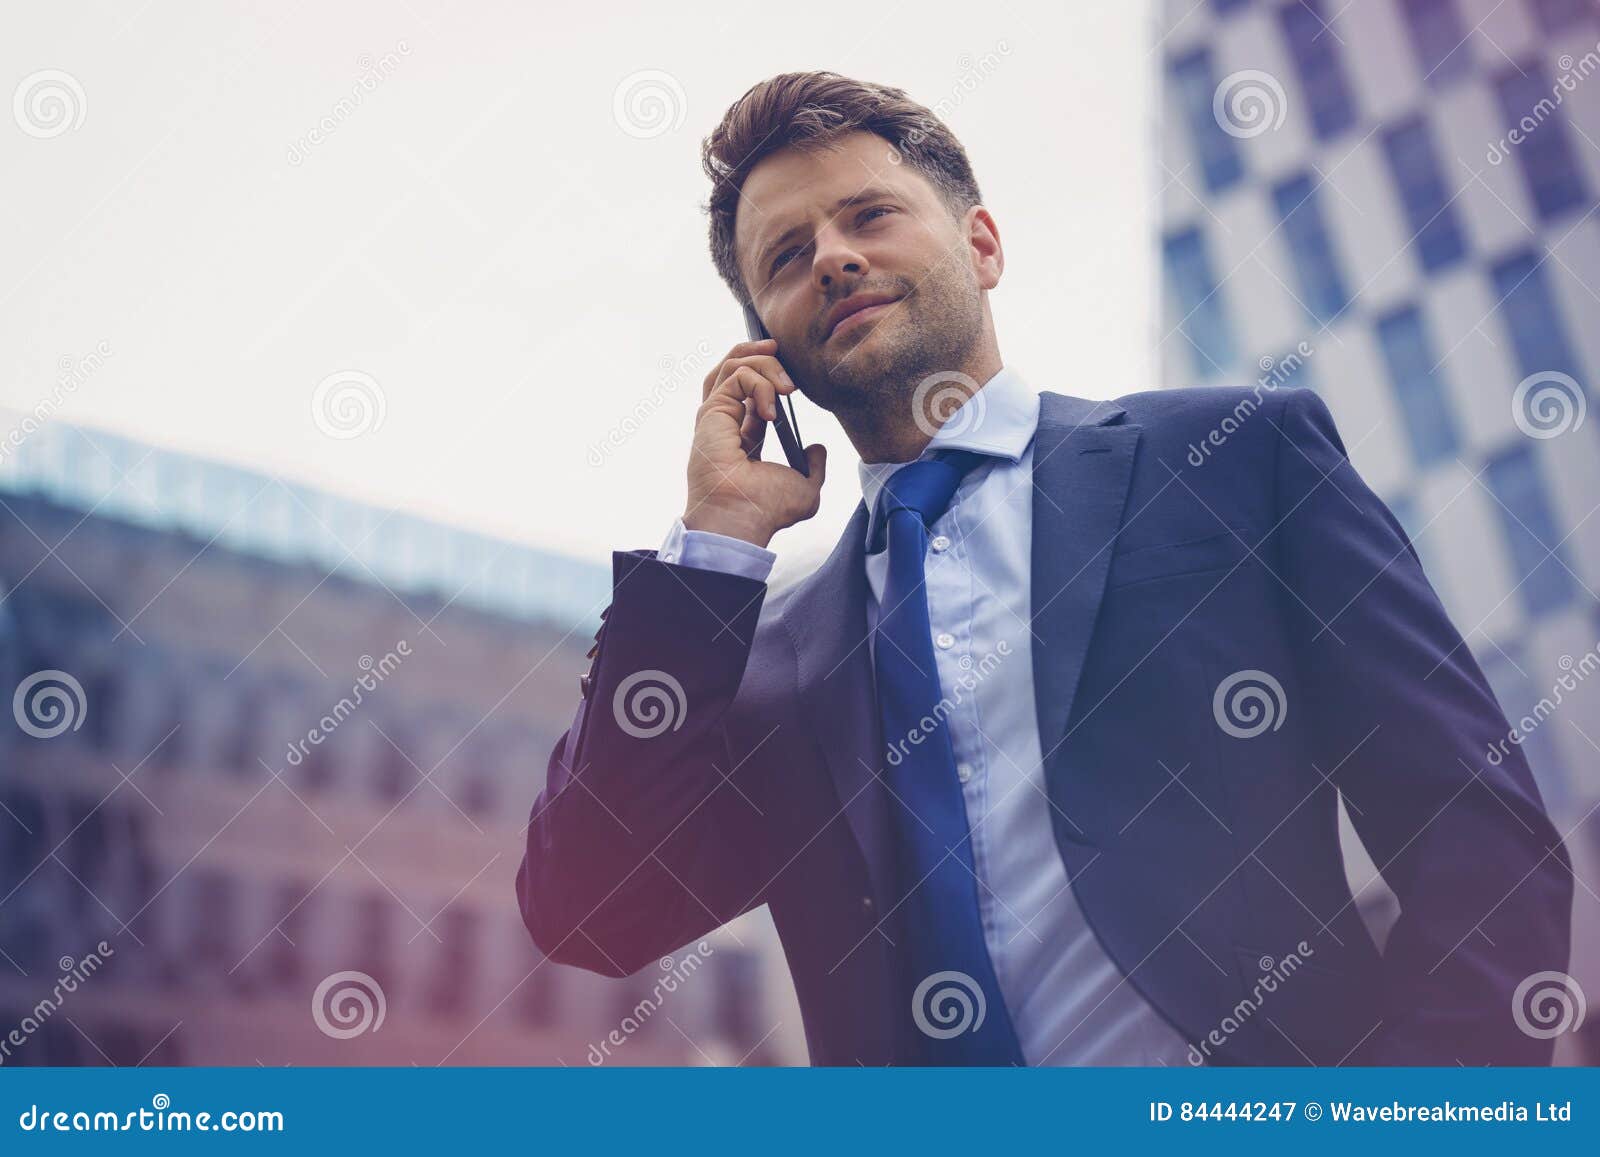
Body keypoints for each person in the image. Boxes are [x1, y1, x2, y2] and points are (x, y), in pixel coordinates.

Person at [516, 71, 1572, 1066]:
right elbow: (590, 908)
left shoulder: (1234, 461)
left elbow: (1473, 827)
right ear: (769, 352)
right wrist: (715, 548)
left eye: (869, 216)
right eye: (785, 257)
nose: (831, 257)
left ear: (980, 243)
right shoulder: (773, 653)